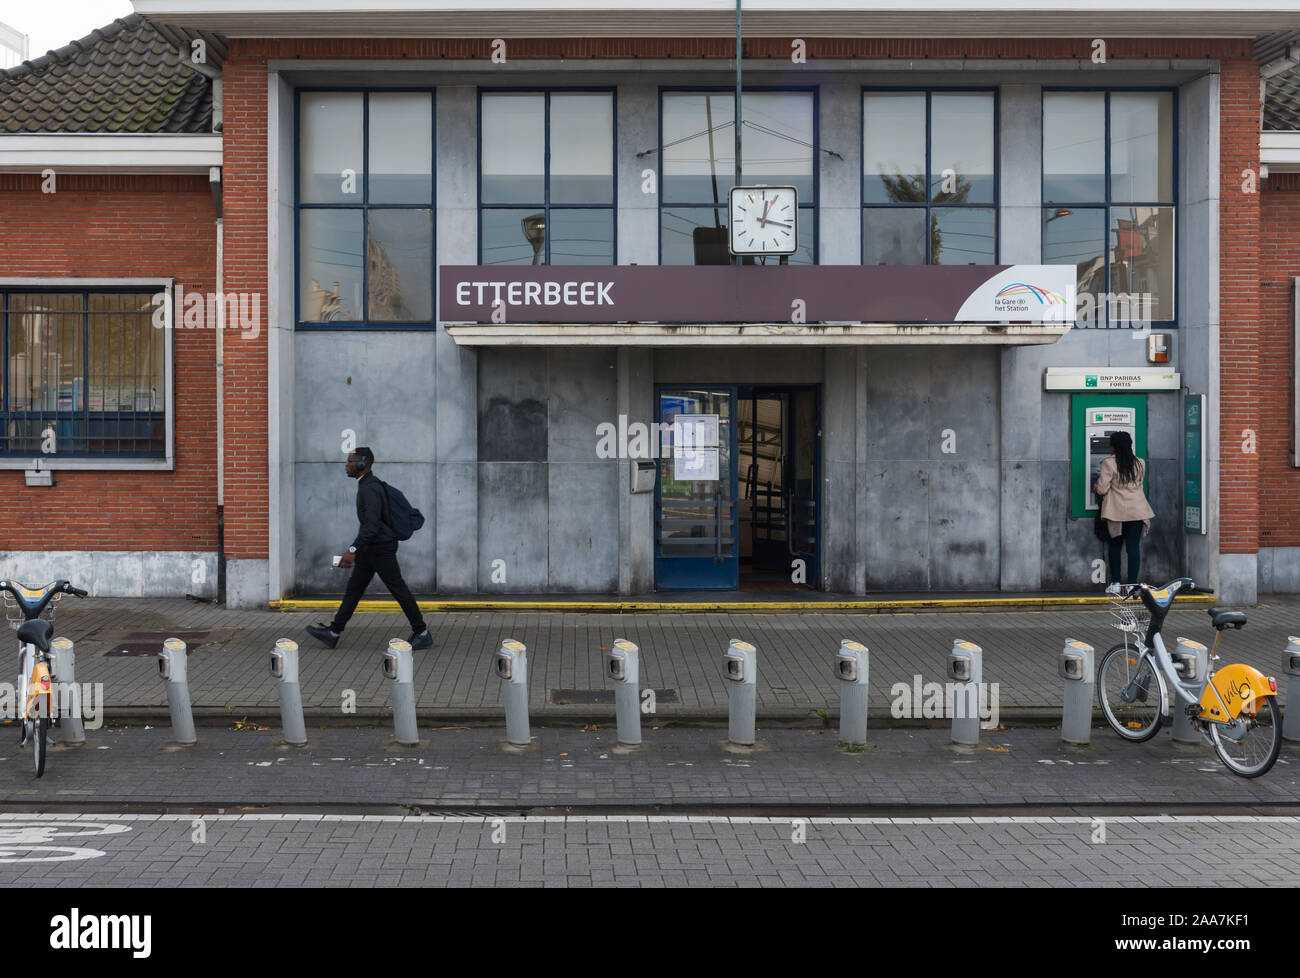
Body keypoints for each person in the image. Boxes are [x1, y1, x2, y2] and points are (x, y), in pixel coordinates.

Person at [306, 447, 431, 650]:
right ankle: (334, 632)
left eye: (351, 461)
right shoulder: (366, 485)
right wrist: (358, 549)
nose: (346, 465)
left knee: (398, 589)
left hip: (380, 548)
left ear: (365, 463)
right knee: (354, 590)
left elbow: (372, 525)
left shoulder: (369, 488)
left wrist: (353, 550)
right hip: (371, 548)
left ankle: (422, 632)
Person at [1092, 431, 1155, 586]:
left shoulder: (1108, 463)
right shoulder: (1140, 462)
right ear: (1129, 444)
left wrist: (1095, 486)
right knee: (1133, 547)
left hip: (1116, 511)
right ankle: (1132, 585)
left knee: (1115, 546)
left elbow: (1102, 488)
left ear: (1113, 446)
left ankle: (1115, 583)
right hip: (1137, 510)